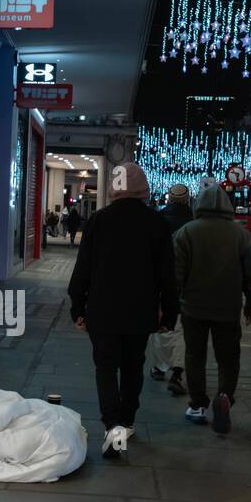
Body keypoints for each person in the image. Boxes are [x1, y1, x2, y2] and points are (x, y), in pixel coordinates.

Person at [68, 162, 178, 459]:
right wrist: (169, 314)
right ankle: (127, 420)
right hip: (140, 312)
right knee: (133, 365)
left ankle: (112, 424)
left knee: (105, 367)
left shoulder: (98, 221)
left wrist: (77, 306)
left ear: (114, 187)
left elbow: (83, 270)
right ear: (143, 188)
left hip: (102, 311)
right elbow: (168, 276)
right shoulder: (157, 224)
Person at [172, 182, 251, 433]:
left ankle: (198, 405)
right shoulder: (241, 235)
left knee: (195, 356)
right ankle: (224, 396)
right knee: (229, 359)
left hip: (193, 308)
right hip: (228, 308)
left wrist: (171, 304)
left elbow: (175, 275)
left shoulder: (186, 232)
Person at [149, 183, 194, 395]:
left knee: (160, 325)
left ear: (169, 198)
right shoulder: (194, 223)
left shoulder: (157, 220)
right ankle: (177, 370)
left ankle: (159, 366)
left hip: (159, 280)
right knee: (181, 328)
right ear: (188, 199)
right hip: (186, 283)